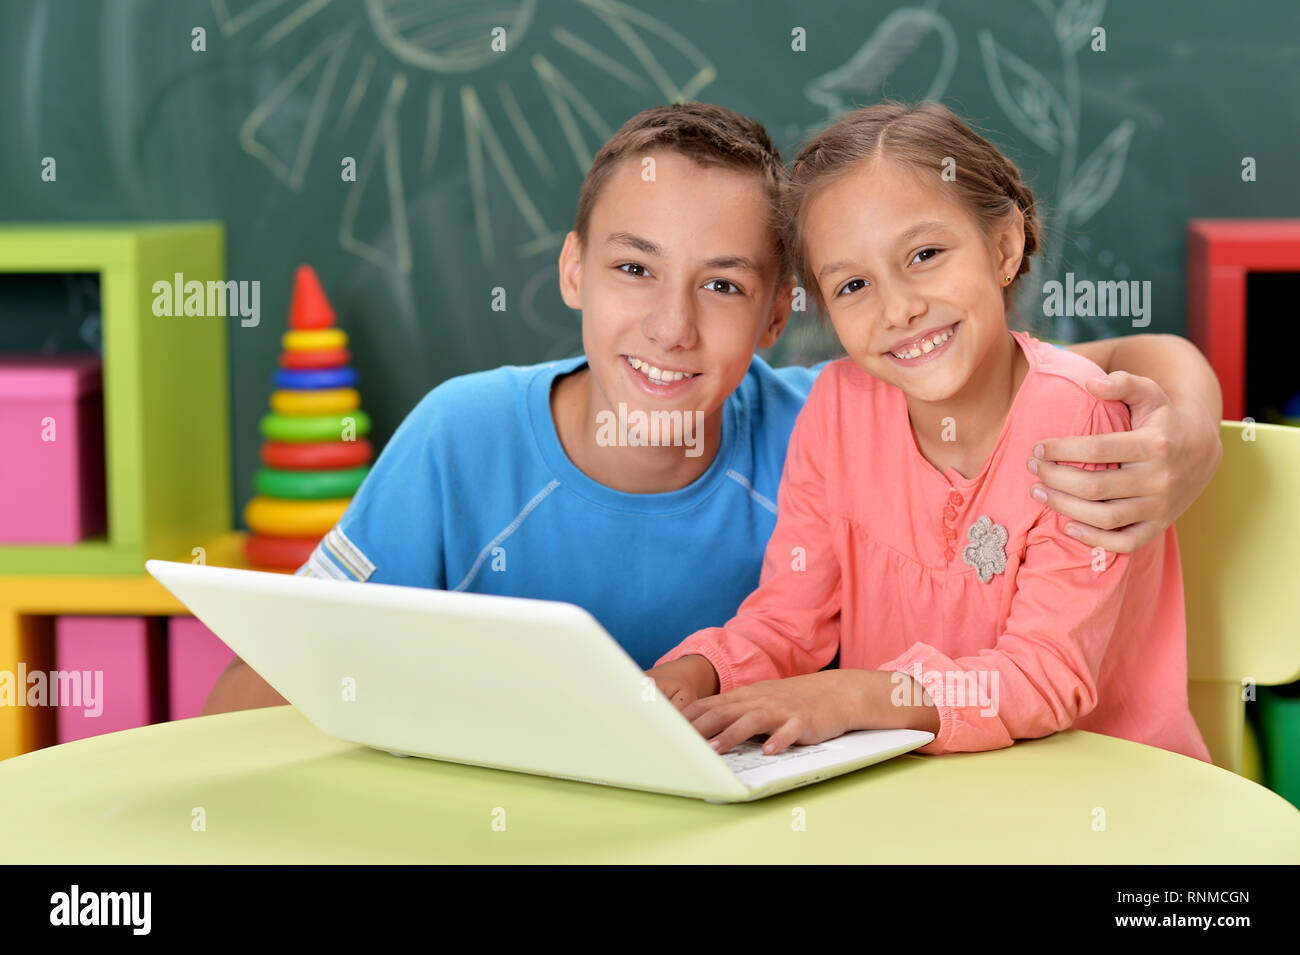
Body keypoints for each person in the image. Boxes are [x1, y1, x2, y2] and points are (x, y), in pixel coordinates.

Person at [204, 102, 1223, 717]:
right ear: (572, 270)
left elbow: (1034, 373)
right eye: (633, 269)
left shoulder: (839, 412)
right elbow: (285, 667)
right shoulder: (456, 436)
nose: (671, 326)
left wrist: (1187, 411)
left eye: (725, 286)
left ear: (782, 313)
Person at [648, 101, 1211, 763]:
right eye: (854, 284)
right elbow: (786, 621)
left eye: (924, 254)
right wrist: (690, 675)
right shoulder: (836, 411)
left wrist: (854, 696)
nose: (899, 308)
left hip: (1104, 795)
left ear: (1003, 245)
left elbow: (1042, 674)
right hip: (918, 798)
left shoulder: (1080, 422)